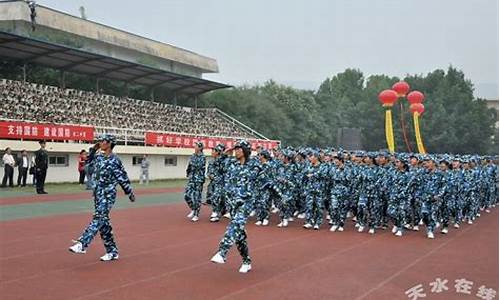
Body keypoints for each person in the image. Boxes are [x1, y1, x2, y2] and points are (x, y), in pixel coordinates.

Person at [69, 134, 136, 261]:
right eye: (99, 140)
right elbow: (87, 164)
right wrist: (93, 150)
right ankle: (112, 252)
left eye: (103, 141)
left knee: (99, 217)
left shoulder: (115, 160)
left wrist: (129, 192)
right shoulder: (99, 157)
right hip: (98, 193)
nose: (100, 142)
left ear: (110, 143)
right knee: (103, 223)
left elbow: (122, 177)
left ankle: (82, 243)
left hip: (108, 193)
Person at [210, 140, 254, 273]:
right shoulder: (232, 164)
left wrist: (280, 195)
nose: (236, 151)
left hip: (245, 203)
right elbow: (217, 165)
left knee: (234, 225)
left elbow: (267, 180)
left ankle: (222, 252)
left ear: (245, 150)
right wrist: (224, 154)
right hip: (233, 204)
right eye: (235, 149)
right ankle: (246, 261)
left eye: (239, 149)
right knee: (239, 236)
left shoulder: (253, 165)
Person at [184, 142, 206, 222]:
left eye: (196, 146)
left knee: (197, 197)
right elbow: (189, 165)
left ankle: (196, 214)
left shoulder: (202, 157)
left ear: (200, 148)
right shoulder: (193, 155)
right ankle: (193, 208)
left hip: (199, 180)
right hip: (192, 179)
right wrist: (188, 172)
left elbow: (198, 166)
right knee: (186, 195)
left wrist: (192, 164)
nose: (194, 147)